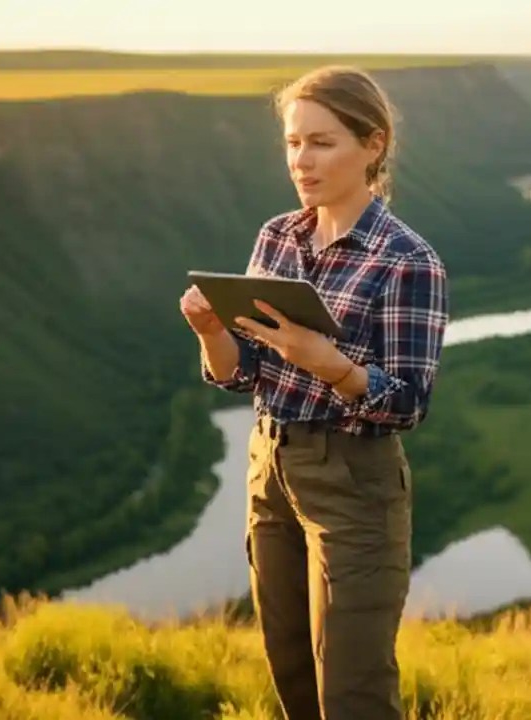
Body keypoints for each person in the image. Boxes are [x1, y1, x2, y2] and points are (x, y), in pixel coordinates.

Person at [179, 65, 448, 720]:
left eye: (322, 142)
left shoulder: (407, 260)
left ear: (373, 145)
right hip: (270, 467)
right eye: (294, 142)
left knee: (352, 694)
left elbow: (409, 403)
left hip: (354, 485)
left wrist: (328, 363)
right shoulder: (278, 237)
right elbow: (242, 373)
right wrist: (210, 332)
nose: (302, 160)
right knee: (294, 680)